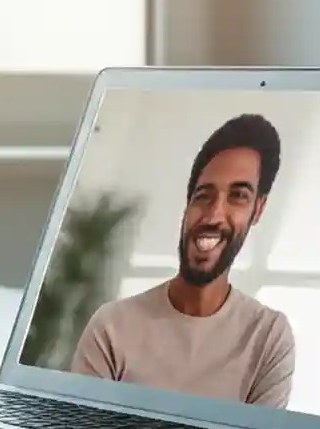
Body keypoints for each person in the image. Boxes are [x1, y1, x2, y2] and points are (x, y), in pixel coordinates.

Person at [70, 114, 296, 409]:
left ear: (258, 210)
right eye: (204, 196)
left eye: (238, 196)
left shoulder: (268, 338)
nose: (214, 215)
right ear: (188, 205)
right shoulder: (112, 326)